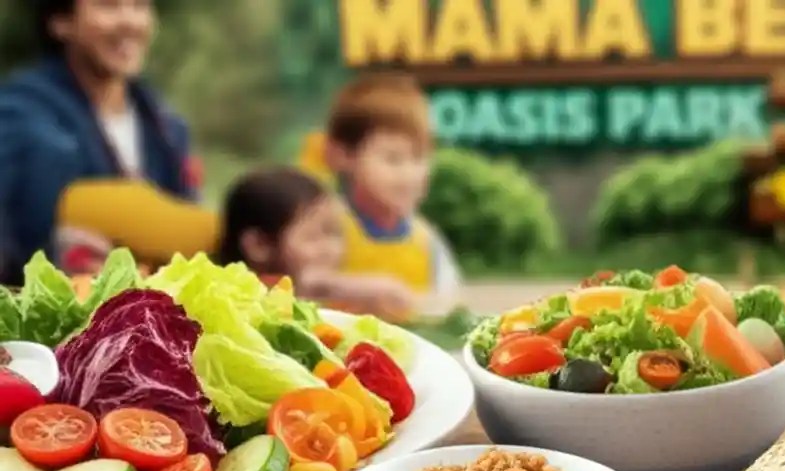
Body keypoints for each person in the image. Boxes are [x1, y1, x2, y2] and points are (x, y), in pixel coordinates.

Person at [0, 0, 197, 285]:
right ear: (60, 22)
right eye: (109, 5)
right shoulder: (20, 115)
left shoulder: (167, 128)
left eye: (140, 5)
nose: (130, 21)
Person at [319, 73, 463, 311]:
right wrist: (373, 289)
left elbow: (449, 307)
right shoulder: (328, 227)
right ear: (342, 155)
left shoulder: (428, 242)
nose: (409, 174)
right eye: (393, 159)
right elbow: (304, 283)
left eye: (418, 157)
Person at [217, 167, 421, 318]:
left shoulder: (326, 301)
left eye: (335, 234)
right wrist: (326, 286)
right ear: (259, 246)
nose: (331, 249)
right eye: (313, 237)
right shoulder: (239, 300)